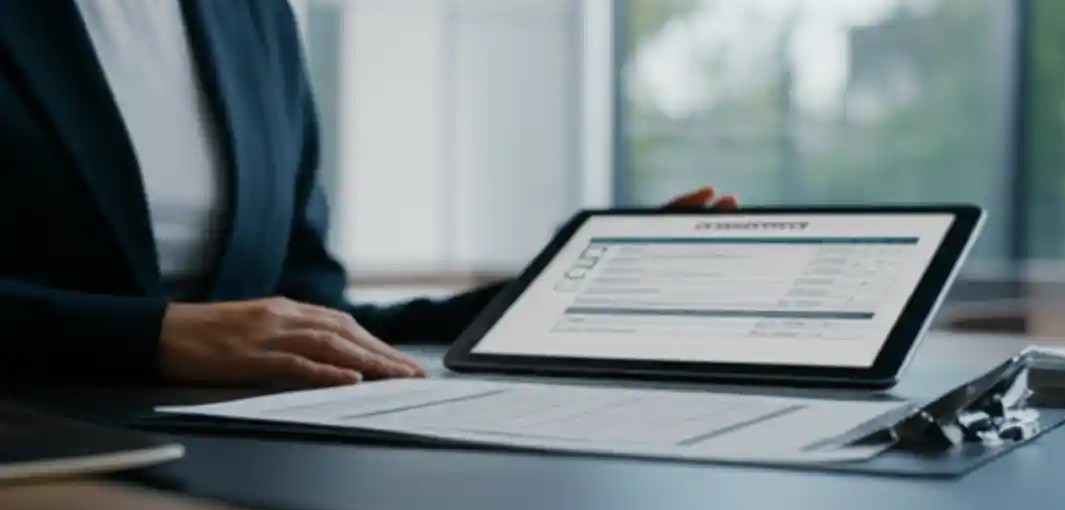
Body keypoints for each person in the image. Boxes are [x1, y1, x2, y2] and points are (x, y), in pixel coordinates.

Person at [0, 0, 737, 388]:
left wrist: (539, 298)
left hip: (232, 462)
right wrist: (153, 337)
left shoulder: (251, 18)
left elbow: (315, 318)